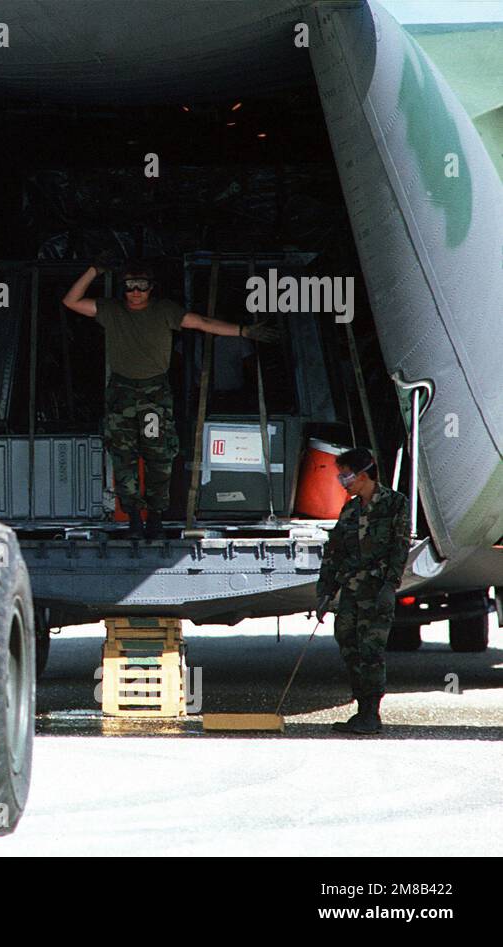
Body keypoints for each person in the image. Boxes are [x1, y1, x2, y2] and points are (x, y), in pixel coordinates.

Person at [62, 255, 280, 538]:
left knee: (159, 456)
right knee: (123, 457)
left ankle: (155, 516)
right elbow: (71, 301)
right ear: (122, 288)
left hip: (154, 394)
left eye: (141, 285)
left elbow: (201, 323)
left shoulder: (165, 311)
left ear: (151, 287)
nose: (136, 292)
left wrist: (242, 331)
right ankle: (133, 519)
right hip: (121, 394)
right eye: (130, 286)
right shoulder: (110, 310)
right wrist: (94, 269)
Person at [315, 447, 411, 735]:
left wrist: (389, 586)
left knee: (371, 651)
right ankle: (361, 710)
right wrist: (325, 591)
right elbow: (334, 552)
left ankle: (372, 713)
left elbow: (400, 548)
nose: (342, 481)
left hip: (376, 590)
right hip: (350, 592)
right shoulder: (350, 509)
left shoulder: (395, 504)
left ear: (363, 474)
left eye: (345, 475)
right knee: (349, 646)